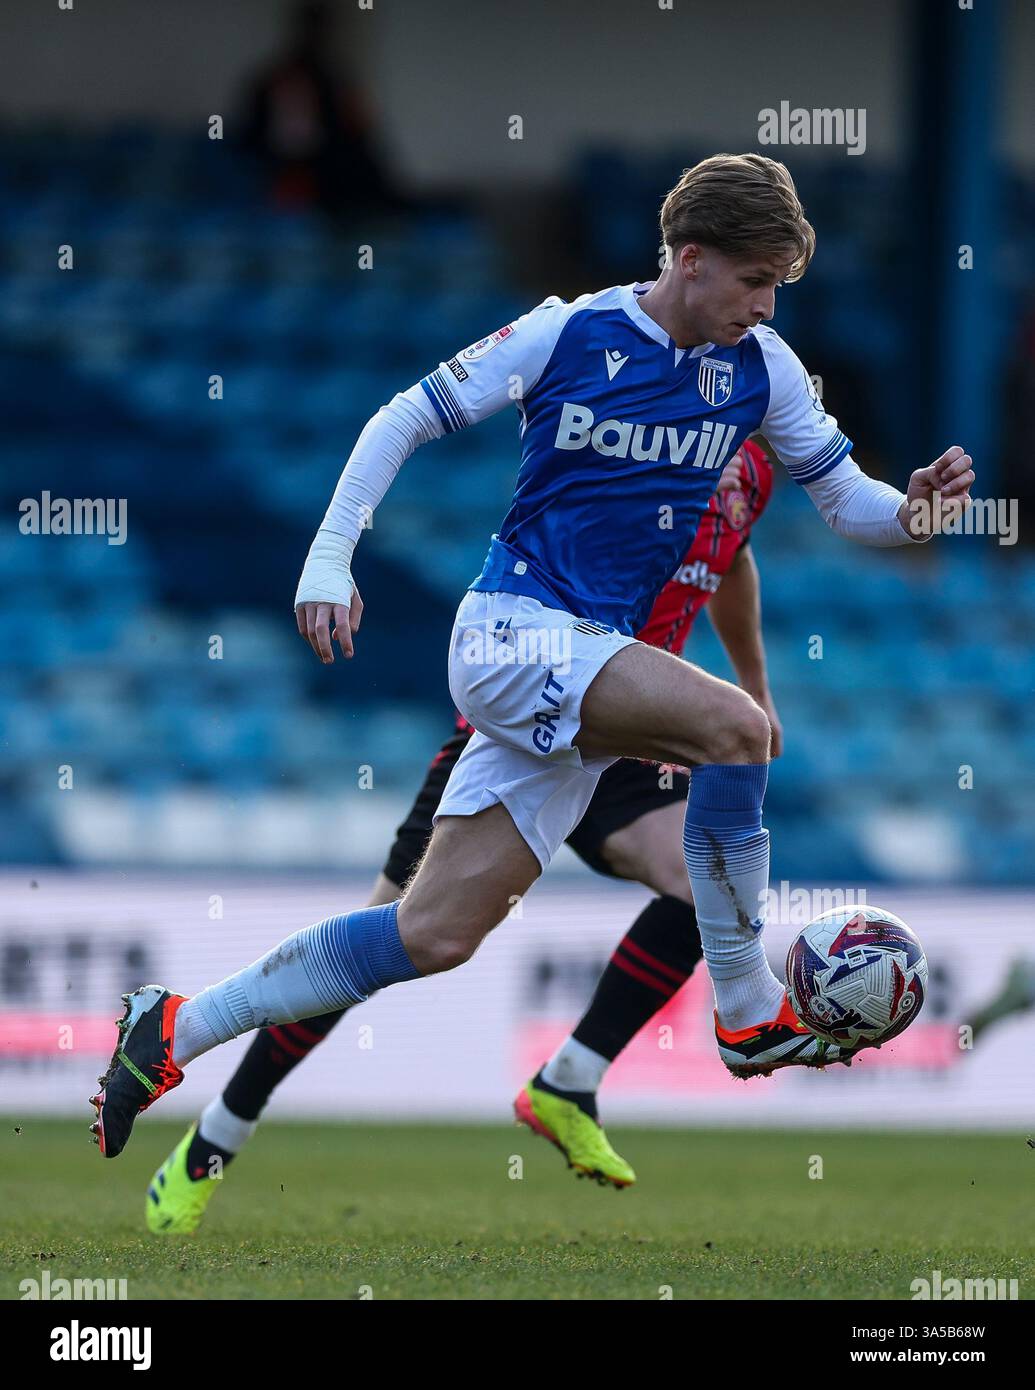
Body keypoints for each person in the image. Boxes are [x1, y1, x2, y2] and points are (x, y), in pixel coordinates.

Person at [91, 153, 974, 1165]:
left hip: (583, 666)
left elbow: (843, 497)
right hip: (513, 630)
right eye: (756, 280)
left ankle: (176, 1026)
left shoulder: (762, 369)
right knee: (740, 728)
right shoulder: (571, 330)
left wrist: (910, 513)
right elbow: (405, 414)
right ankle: (743, 1010)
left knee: (430, 935)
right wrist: (330, 555)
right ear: (691, 259)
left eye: (779, 284)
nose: (768, 304)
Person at [145, 446, 786, 1231]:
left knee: (704, 883)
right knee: (381, 946)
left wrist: (754, 687)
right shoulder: (646, 449)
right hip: (521, 733)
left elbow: (734, 562)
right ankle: (215, 1139)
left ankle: (568, 1081)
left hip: (630, 743)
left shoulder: (751, 467)